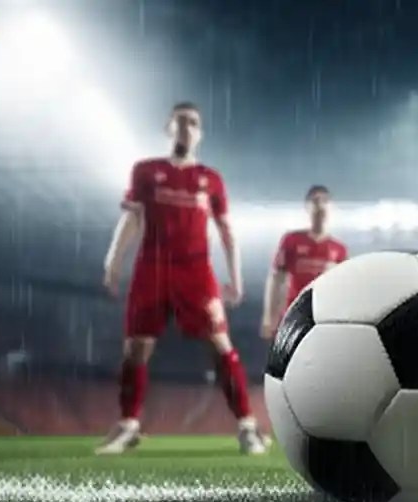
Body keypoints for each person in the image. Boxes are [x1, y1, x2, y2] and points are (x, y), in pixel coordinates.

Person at [97, 101, 266, 455]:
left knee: (220, 346)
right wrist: (114, 261)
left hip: (196, 272)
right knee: (136, 348)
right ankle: (128, 426)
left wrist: (234, 278)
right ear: (168, 128)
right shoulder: (145, 171)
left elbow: (227, 231)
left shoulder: (211, 179)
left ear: (200, 134)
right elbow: (131, 220)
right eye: (181, 121)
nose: (187, 127)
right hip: (152, 269)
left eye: (193, 123)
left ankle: (248, 427)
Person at [260, 185, 347, 339]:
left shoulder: (339, 250)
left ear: (331, 208)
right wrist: (269, 317)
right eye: (315, 201)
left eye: (325, 201)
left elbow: (344, 291)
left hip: (323, 321)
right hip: (293, 317)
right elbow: (276, 279)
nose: (320, 206)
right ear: (307, 207)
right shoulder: (291, 240)